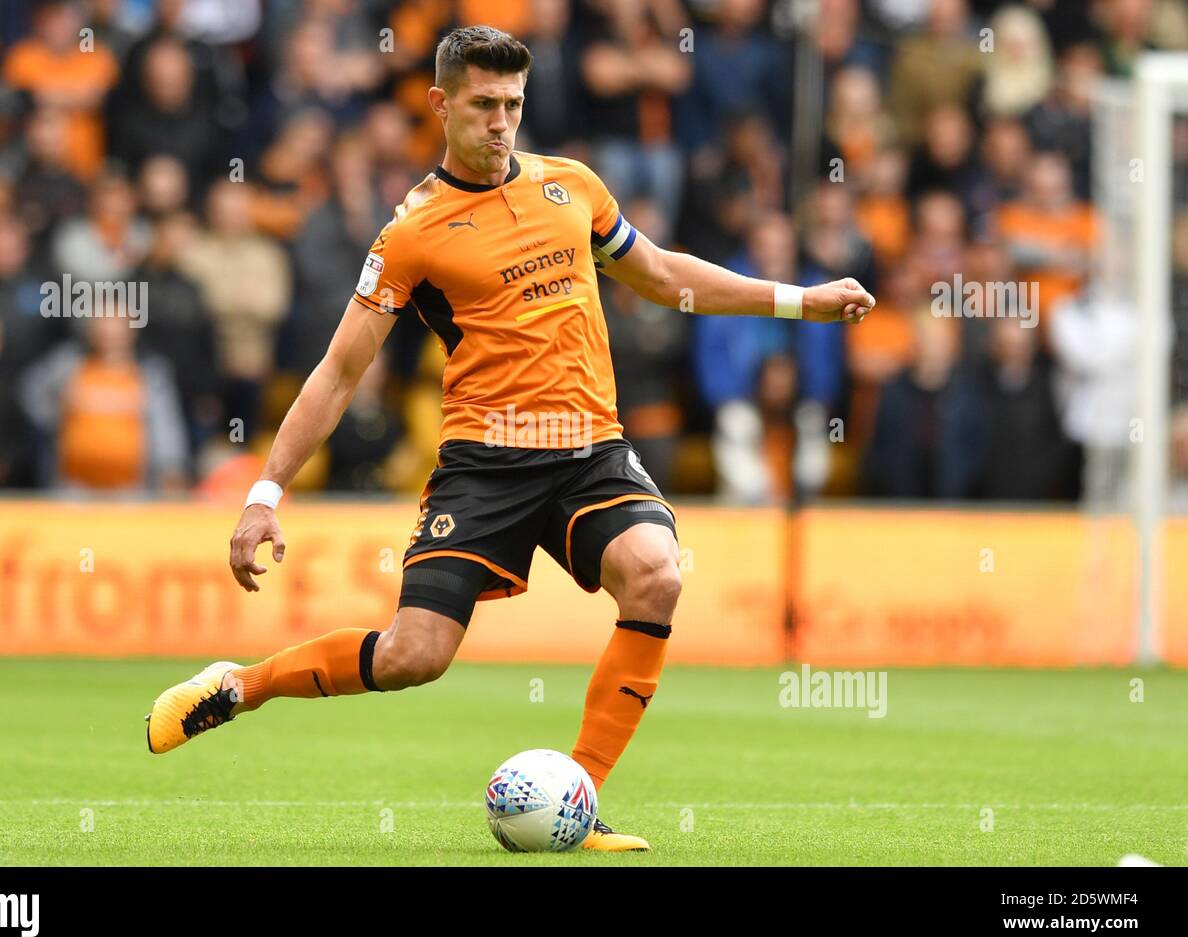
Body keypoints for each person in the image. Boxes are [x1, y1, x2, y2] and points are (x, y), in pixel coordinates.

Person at [145, 25, 874, 851]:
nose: (501, 122)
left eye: (514, 105)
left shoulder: (572, 186)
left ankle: (580, 797)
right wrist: (263, 494)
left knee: (657, 576)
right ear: (440, 104)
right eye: (484, 104)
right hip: (483, 465)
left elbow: (666, 278)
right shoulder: (411, 234)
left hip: (588, 449)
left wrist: (798, 300)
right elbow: (340, 371)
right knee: (413, 656)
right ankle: (241, 685)